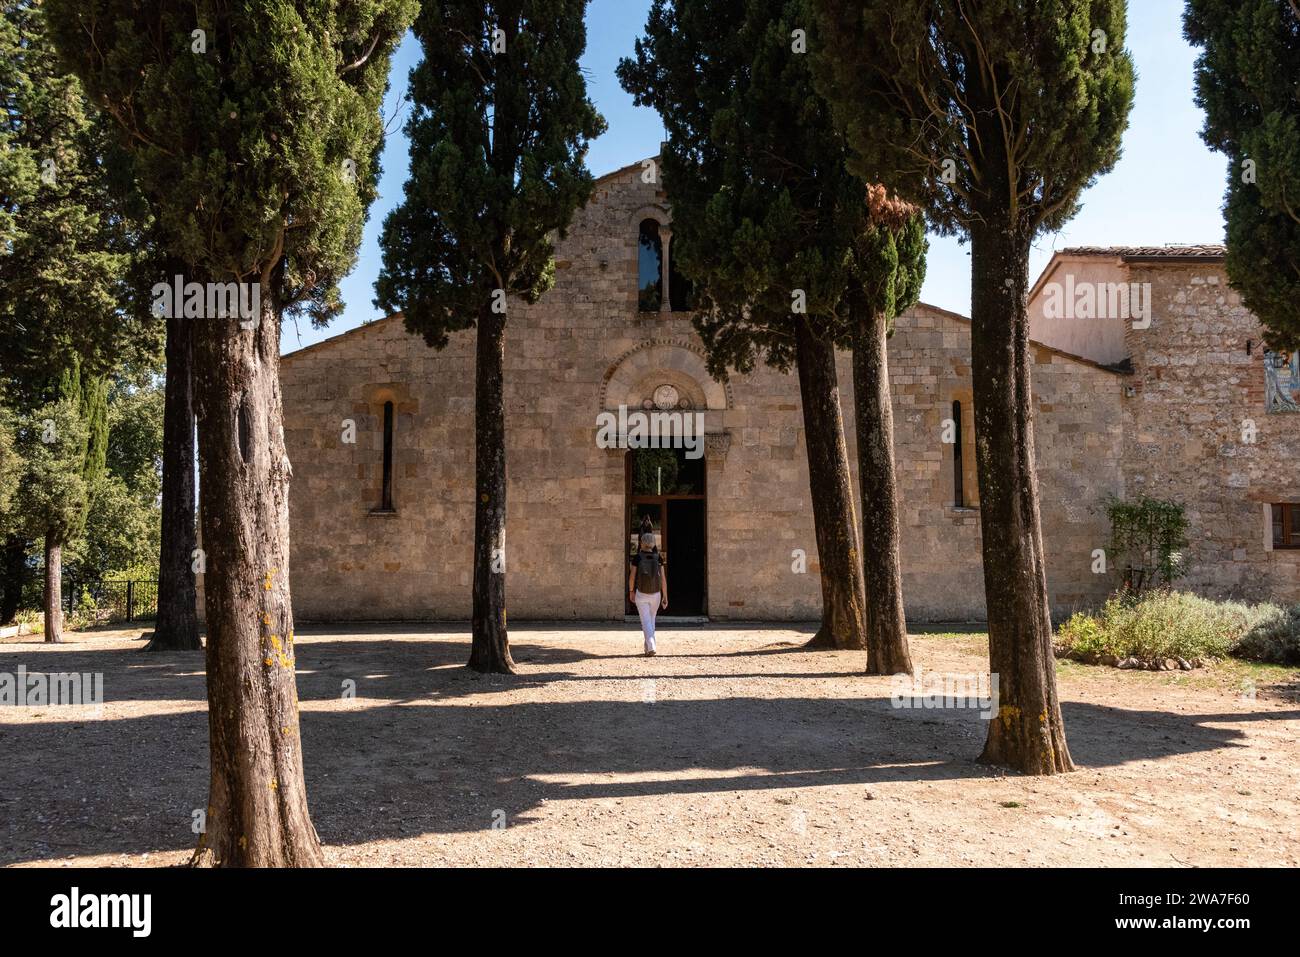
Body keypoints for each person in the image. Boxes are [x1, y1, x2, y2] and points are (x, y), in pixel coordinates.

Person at [628, 531, 667, 656]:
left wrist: (631, 591)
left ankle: (651, 646)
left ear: (641, 543)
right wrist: (665, 595)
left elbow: (632, 577)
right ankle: (648, 647)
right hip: (656, 593)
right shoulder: (658, 557)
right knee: (651, 620)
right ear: (653, 543)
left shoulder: (637, 557)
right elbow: (663, 578)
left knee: (646, 621)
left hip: (642, 593)